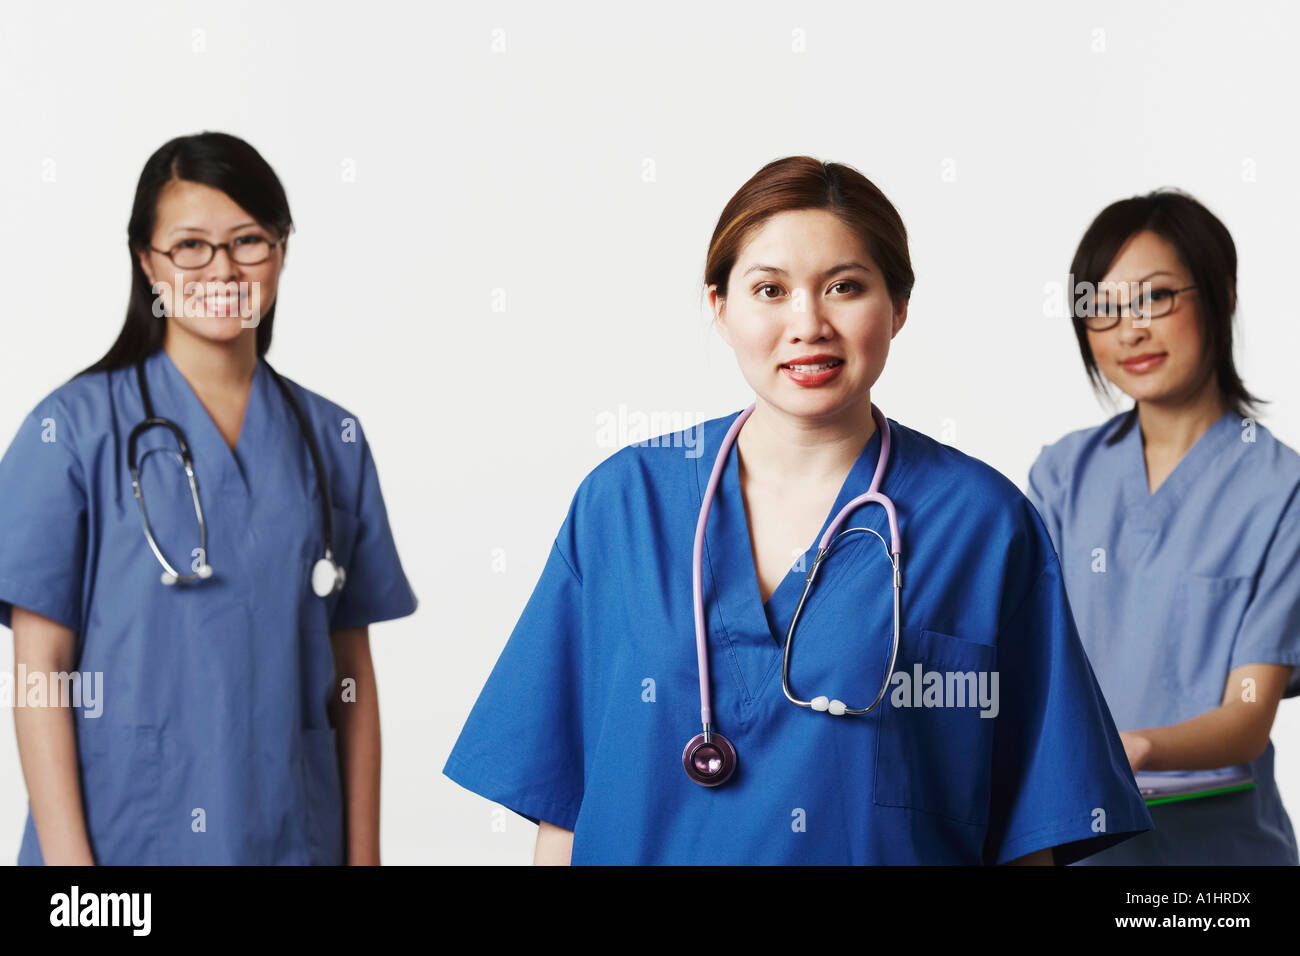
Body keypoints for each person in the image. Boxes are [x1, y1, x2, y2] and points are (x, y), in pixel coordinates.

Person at [443, 156, 1151, 865]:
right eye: (770, 290)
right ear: (720, 307)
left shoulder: (983, 524)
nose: (808, 323)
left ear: (898, 307)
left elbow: (1029, 829)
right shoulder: (624, 505)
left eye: (845, 287)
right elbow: (562, 807)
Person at [0, 131, 418, 865]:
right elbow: (41, 671)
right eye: (190, 245)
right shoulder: (70, 431)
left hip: (293, 837)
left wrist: (365, 860)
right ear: (146, 262)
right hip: (125, 845)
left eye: (248, 241)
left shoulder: (331, 440)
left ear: (282, 250)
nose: (222, 268)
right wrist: (70, 879)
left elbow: (352, 680)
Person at [1027, 189, 1299, 865]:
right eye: (1104, 309)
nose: (1130, 330)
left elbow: (1244, 717)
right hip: (1078, 847)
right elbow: (1023, 663)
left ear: (1220, 294)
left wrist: (1137, 748)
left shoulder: (1280, 492)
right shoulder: (1063, 476)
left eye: (1154, 298)